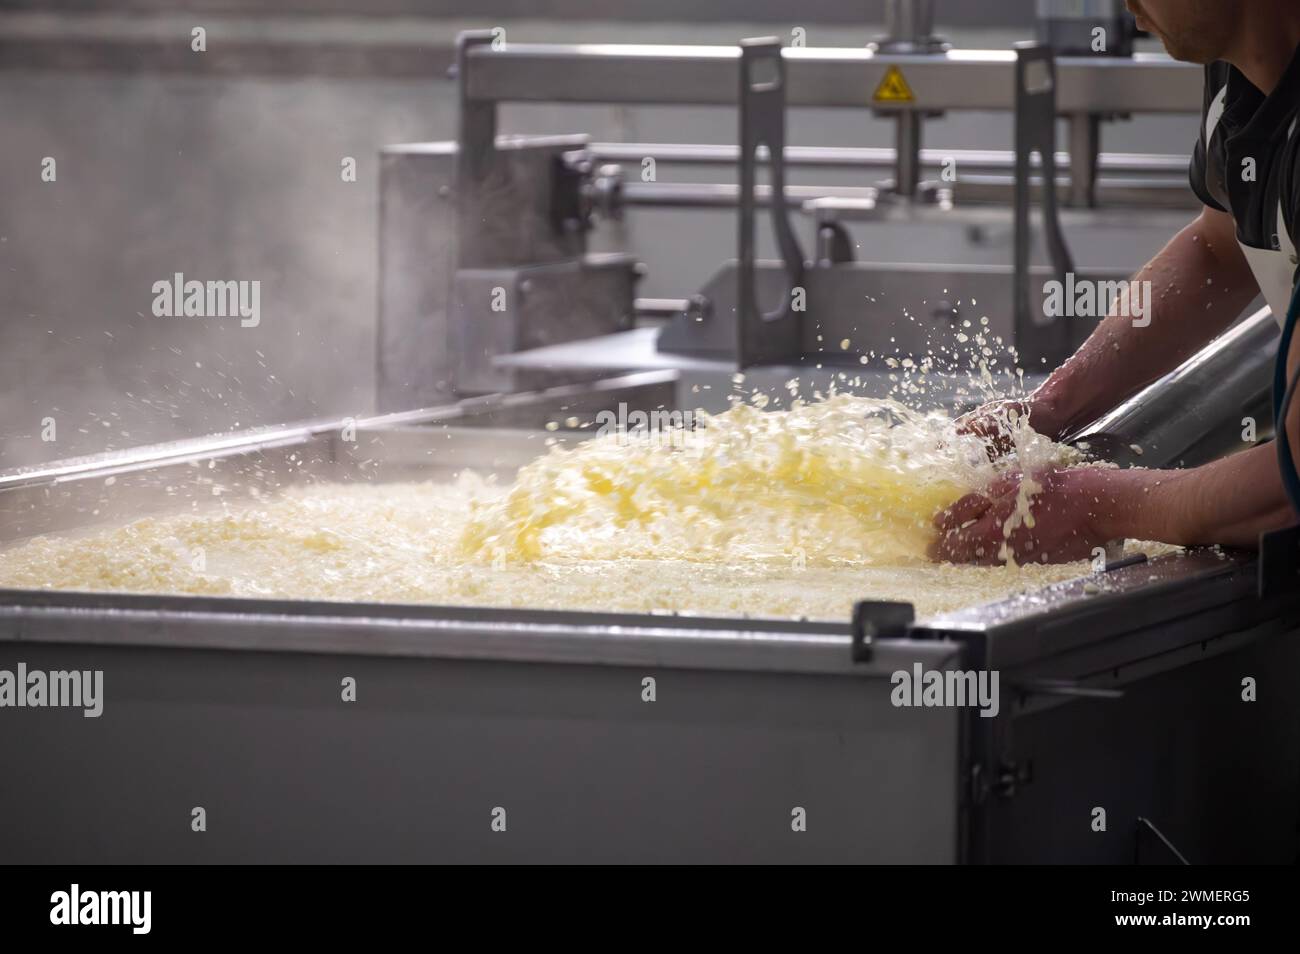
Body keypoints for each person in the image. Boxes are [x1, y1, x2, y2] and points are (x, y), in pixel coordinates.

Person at [931, 0, 1300, 565]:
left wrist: (1097, 504)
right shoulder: (1240, 67)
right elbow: (1218, 247)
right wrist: (1051, 409)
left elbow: (1295, 481)